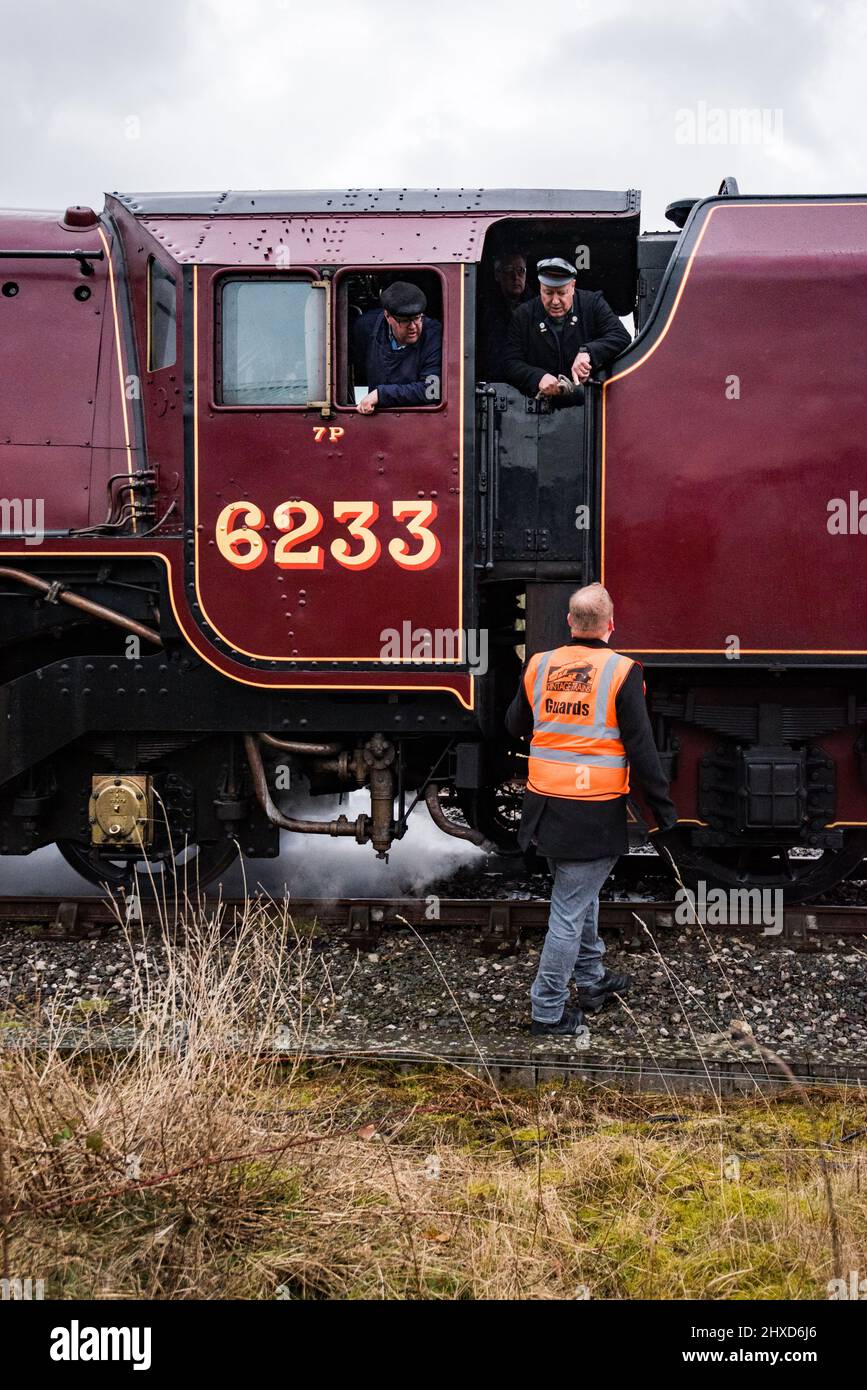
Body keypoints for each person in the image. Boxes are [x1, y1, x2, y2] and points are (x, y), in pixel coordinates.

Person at [505, 582, 678, 1035]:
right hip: (592, 811)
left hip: (544, 807)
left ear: (569, 621)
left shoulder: (539, 665)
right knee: (569, 910)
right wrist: (662, 809)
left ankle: (593, 979)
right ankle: (547, 1010)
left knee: (580, 897)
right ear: (610, 625)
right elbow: (641, 748)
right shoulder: (622, 672)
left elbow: (514, 725)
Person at [502, 257, 631, 405]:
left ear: (573, 286)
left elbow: (621, 336)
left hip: (589, 406)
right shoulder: (523, 315)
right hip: (538, 410)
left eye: (562, 293)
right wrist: (538, 377)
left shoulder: (593, 304)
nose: (555, 301)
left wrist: (588, 352)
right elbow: (510, 363)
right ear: (540, 287)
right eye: (548, 293)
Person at [352, 281, 442, 413]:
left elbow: (431, 390)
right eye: (405, 320)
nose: (413, 326)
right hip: (374, 416)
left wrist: (380, 394)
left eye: (417, 318)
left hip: (419, 418)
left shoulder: (434, 335)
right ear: (387, 316)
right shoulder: (366, 328)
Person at [478, 250, 532, 381]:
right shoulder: (484, 309)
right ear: (497, 275)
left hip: (530, 379)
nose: (516, 277)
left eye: (521, 271)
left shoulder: (538, 307)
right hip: (495, 380)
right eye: (509, 270)